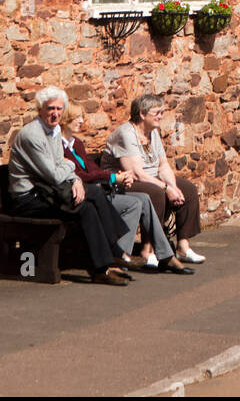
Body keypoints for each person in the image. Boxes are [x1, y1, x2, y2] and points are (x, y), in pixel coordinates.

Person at [8, 86, 129, 286]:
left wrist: (76, 180)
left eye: (59, 109)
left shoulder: (54, 130)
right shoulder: (33, 135)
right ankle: (110, 257)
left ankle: (105, 263)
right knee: (86, 206)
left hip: (47, 191)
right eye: (50, 108)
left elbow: (59, 166)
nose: (55, 114)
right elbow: (55, 174)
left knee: (91, 201)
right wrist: (71, 165)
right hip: (28, 199)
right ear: (40, 109)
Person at [60, 103, 192, 275]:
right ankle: (121, 256)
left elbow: (93, 169)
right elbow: (80, 175)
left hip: (100, 189)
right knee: (136, 202)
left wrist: (119, 176)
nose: (81, 121)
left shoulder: (76, 143)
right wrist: (114, 177)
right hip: (88, 195)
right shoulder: (59, 146)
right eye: (77, 117)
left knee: (142, 199)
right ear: (65, 120)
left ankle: (163, 255)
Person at [104, 94, 205, 264]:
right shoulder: (126, 133)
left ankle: (183, 246)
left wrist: (173, 186)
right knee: (156, 193)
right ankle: (147, 249)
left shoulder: (153, 132)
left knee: (188, 189)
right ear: (142, 114)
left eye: (162, 112)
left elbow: (163, 165)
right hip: (124, 181)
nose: (160, 116)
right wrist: (166, 188)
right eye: (156, 112)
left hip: (151, 177)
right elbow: (137, 173)